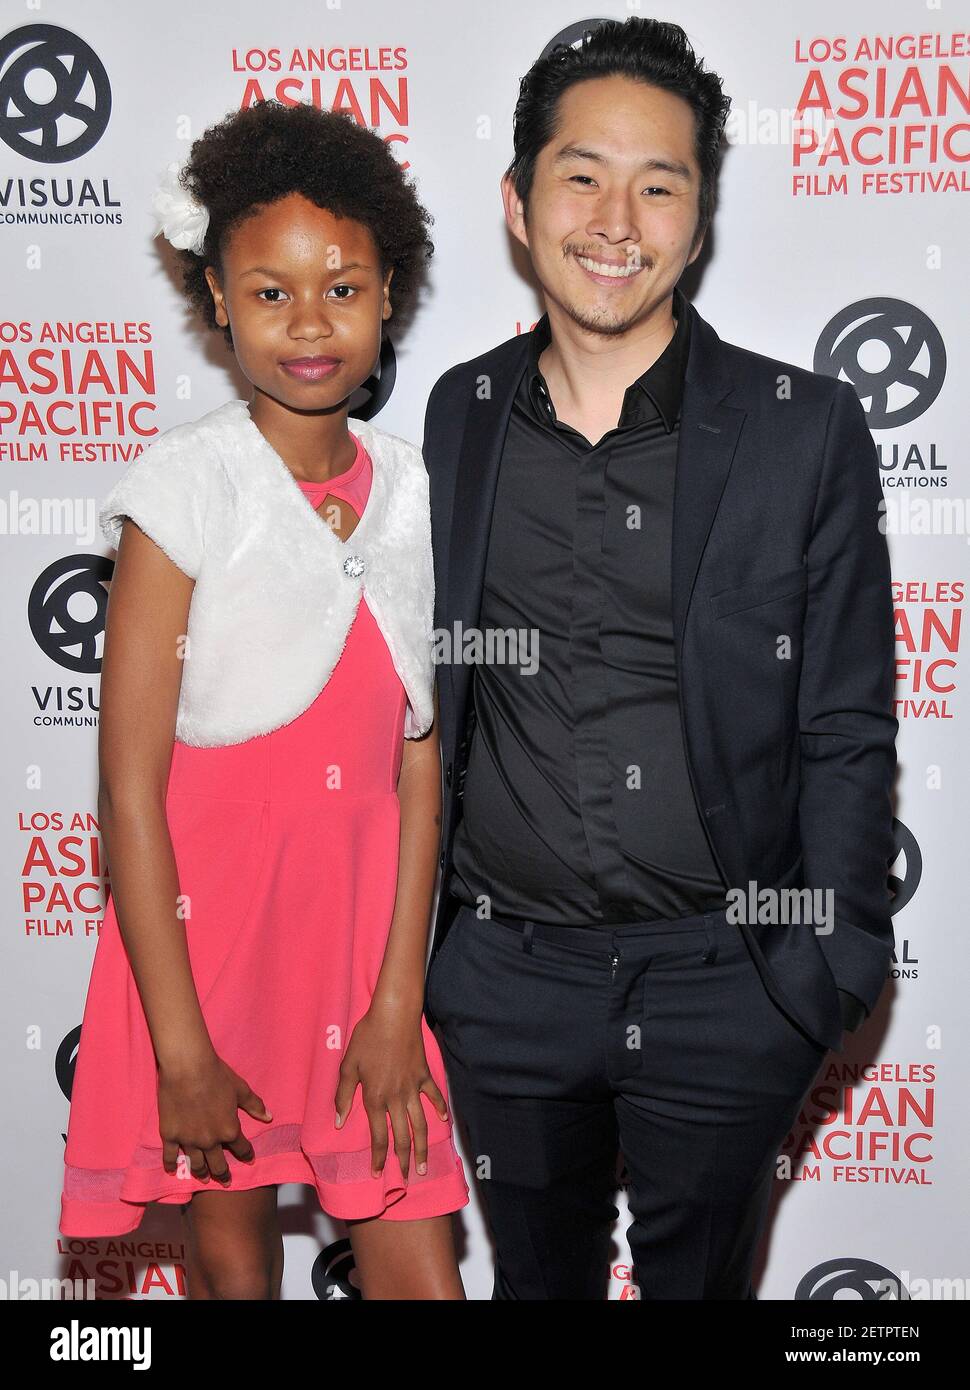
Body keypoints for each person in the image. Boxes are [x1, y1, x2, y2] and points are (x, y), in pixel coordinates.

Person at [422, 18, 897, 1300]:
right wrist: (439, 962)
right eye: (580, 175)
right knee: (537, 1285)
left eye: (659, 181)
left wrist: (830, 964)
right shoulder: (456, 415)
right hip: (504, 980)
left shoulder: (801, 431)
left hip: (726, 979)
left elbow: (847, 720)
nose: (615, 216)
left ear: (700, 217)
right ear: (518, 203)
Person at [59, 99, 468, 1301]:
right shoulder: (182, 489)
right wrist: (178, 1042)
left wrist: (399, 1003)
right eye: (271, 290)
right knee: (233, 1275)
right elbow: (128, 791)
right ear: (219, 302)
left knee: (420, 1272)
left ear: (389, 294)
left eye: (341, 288)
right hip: (207, 957)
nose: (308, 322)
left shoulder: (412, 489)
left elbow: (417, 763)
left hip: (359, 966)